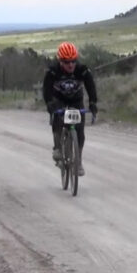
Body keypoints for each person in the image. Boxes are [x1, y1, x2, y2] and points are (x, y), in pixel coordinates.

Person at [42, 41, 98, 175]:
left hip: (76, 99)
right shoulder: (53, 71)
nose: (71, 64)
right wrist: (49, 103)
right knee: (58, 117)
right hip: (59, 99)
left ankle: (78, 161)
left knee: (79, 130)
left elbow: (91, 87)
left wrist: (93, 103)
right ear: (60, 61)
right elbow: (46, 89)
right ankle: (57, 147)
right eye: (67, 62)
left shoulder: (82, 70)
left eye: (73, 61)